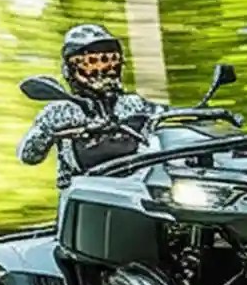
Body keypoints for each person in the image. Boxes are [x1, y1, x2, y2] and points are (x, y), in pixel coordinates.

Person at [16, 24, 166, 189]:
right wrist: (50, 132)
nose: (103, 70)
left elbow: (168, 121)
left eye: (109, 62)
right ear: (71, 69)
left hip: (135, 189)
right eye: (92, 64)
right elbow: (28, 156)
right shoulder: (61, 110)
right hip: (83, 193)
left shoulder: (134, 104)